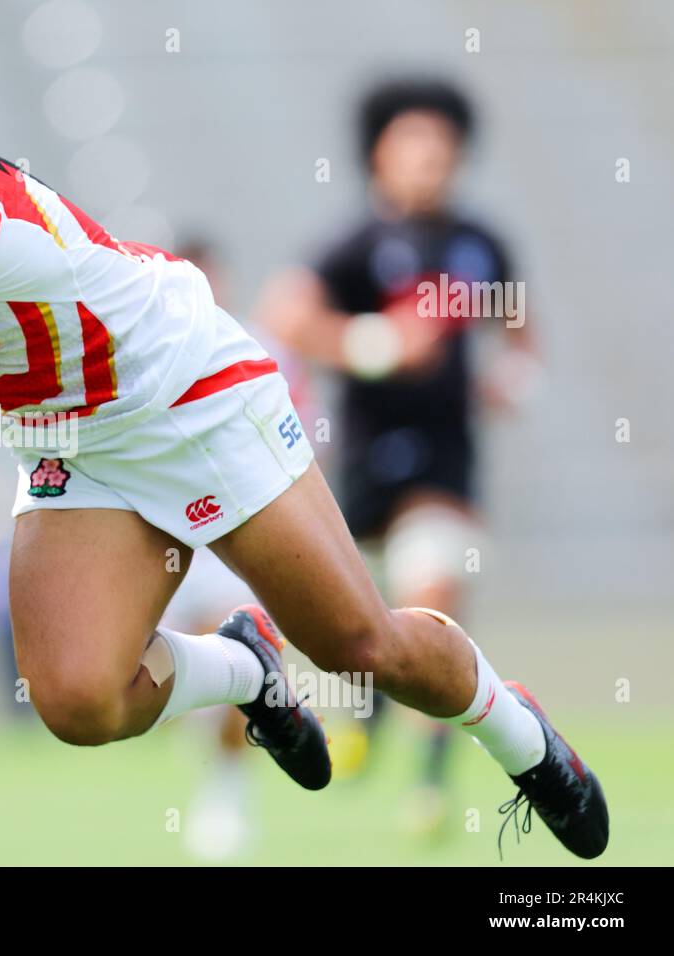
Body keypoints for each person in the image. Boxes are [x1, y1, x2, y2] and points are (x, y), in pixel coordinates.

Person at [0, 40, 608, 859]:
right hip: (70, 430)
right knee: (77, 700)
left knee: (360, 646)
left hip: (182, 389)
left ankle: (519, 736)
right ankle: (245, 672)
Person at [254, 78, 542, 835]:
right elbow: (285, 312)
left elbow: (520, 325)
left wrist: (514, 376)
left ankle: (432, 778)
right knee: (370, 615)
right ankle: (368, 709)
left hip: (447, 461)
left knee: (434, 589)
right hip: (364, 457)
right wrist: (372, 345)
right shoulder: (353, 244)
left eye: (441, 146)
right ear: (379, 155)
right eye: (411, 144)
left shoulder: (479, 244)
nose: (428, 159)